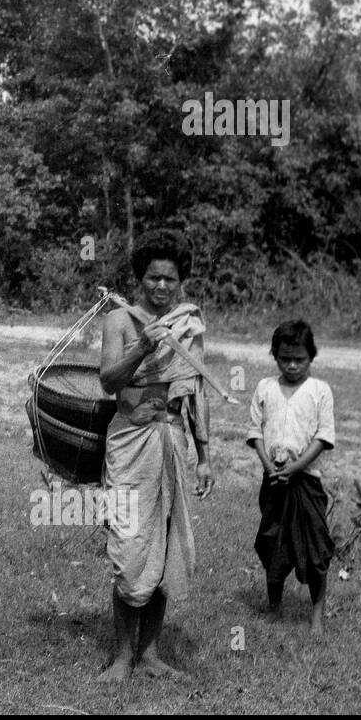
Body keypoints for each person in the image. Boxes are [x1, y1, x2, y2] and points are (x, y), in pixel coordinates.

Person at [97, 229, 214, 681]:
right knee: (129, 545)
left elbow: (195, 393)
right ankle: (123, 656)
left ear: (180, 279)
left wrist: (204, 456)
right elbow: (108, 380)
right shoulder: (120, 321)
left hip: (173, 442)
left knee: (164, 547)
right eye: (152, 278)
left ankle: (149, 654)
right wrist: (144, 346)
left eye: (169, 278)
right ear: (139, 278)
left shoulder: (189, 323)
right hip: (130, 442)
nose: (161, 287)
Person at [248, 320, 336, 635]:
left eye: (299, 359)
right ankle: (274, 608)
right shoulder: (265, 388)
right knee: (272, 544)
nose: (292, 365)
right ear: (275, 356)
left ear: (311, 357)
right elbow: (255, 432)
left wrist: (296, 468)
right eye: (285, 358)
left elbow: (323, 437)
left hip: (306, 481)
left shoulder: (319, 391)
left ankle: (316, 616)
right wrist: (270, 466)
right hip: (273, 482)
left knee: (314, 550)